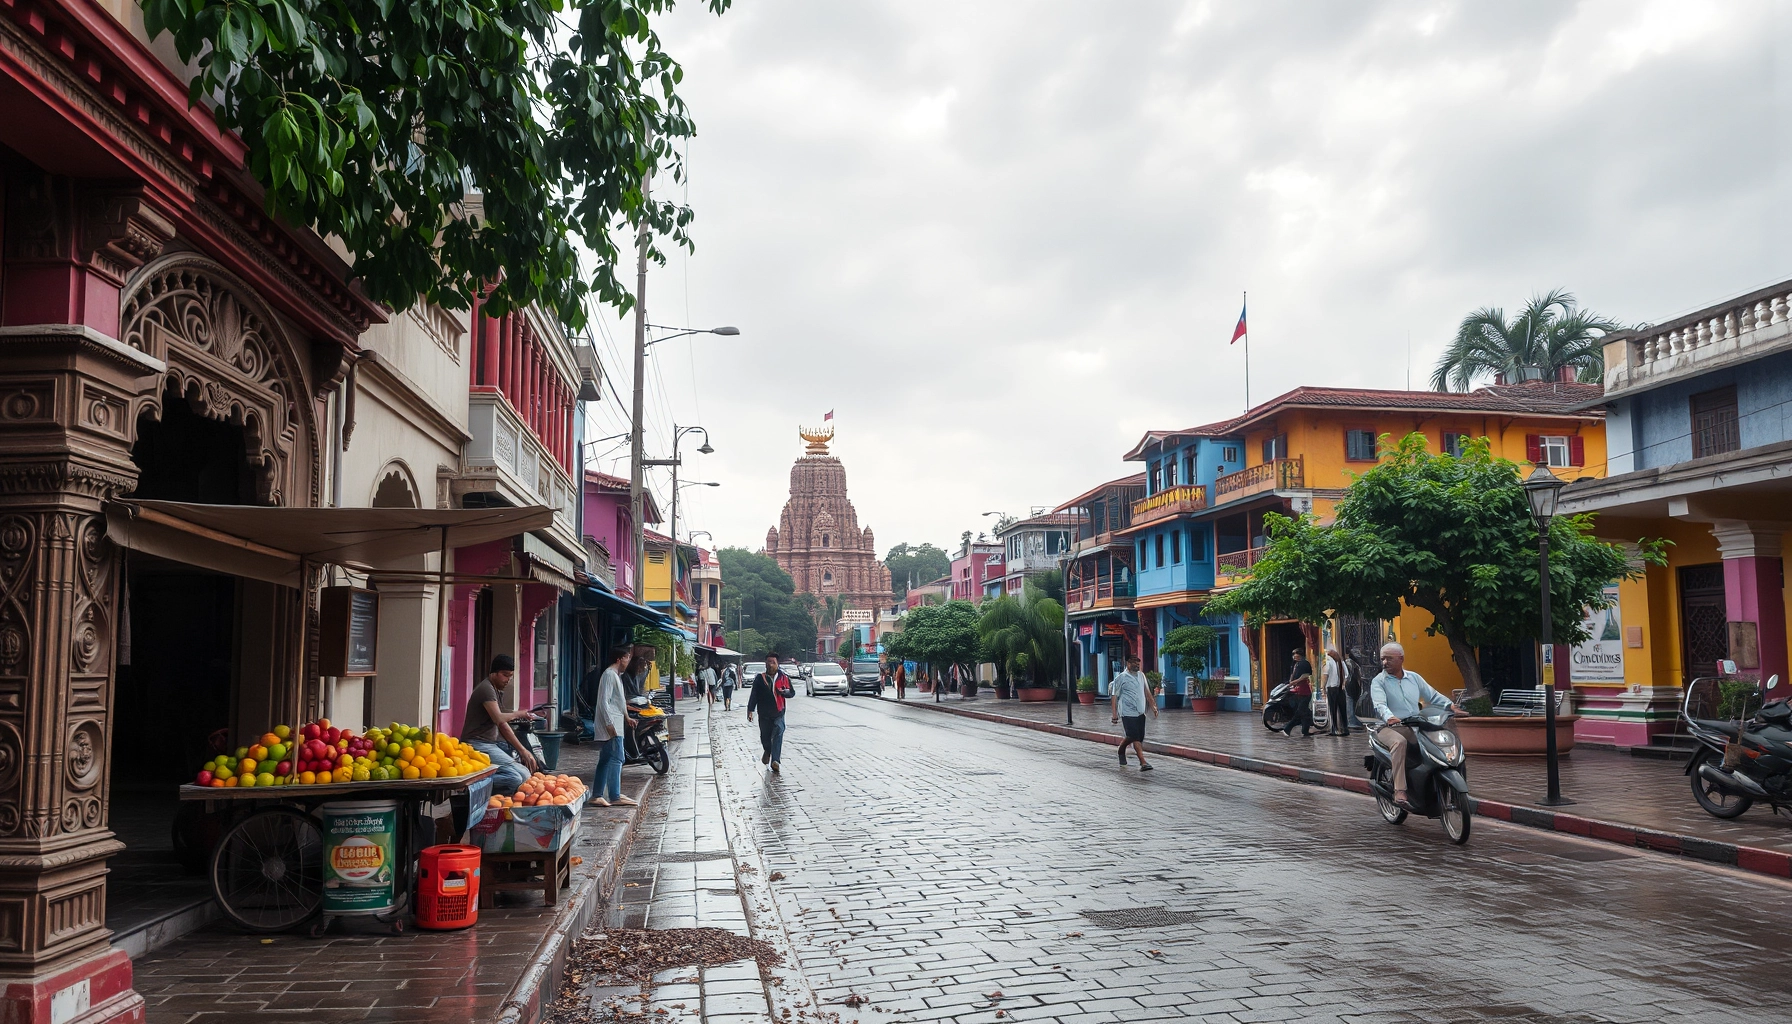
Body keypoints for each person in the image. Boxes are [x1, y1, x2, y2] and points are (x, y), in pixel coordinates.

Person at [1369, 642, 1459, 807]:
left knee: (1444, 740)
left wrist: (1450, 706)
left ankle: (1450, 789)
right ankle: (1400, 790)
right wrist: (1390, 717)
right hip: (1390, 727)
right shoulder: (1378, 681)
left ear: (1401, 658)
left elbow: (1432, 695)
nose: (1384, 663)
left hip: (1416, 725)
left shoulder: (1414, 678)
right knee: (1399, 742)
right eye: (1382, 659)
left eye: (1389, 658)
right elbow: (1379, 704)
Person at [462, 654, 537, 796]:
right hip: (476, 744)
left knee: (524, 775)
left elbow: (503, 726)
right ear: (493, 673)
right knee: (515, 778)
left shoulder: (495, 690)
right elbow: (499, 718)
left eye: (510, 676)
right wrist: (520, 714)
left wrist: (521, 750)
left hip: (490, 744)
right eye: (505, 675)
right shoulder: (486, 689)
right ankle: (470, 787)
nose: (508, 680)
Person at [591, 646, 636, 808]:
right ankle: (615, 795)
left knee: (605, 759)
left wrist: (627, 717)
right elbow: (604, 702)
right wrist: (609, 724)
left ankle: (596, 795)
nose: (628, 661)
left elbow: (617, 701)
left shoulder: (616, 675)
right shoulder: (610, 675)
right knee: (618, 758)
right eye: (627, 658)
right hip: (612, 725)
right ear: (619, 659)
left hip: (615, 722)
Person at [746, 653, 797, 773]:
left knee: (779, 732)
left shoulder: (784, 678)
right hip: (764, 713)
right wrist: (750, 710)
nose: (770, 665)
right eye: (768, 662)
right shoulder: (760, 678)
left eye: (773, 662)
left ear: (777, 664)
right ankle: (767, 751)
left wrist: (785, 692)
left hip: (779, 712)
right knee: (765, 737)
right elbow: (754, 695)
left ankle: (775, 761)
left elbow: (792, 693)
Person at [1111, 655, 1159, 771]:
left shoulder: (1141, 676)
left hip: (1140, 711)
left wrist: (1153, 706)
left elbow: (1147, 692)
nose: (1137, 665)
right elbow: (1114, 696)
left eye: (1138, 663)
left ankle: (1121, 749)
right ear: (1128, 664)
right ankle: (1143, 762)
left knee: (1138, 737)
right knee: (1134, 736)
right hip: (1127, 712)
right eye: (1134, 663)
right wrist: (1114, 714)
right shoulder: (1121, 678)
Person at [1283, 647, 1315, 736]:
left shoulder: (1304, 664)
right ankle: (1305, 730)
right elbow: (1293, 676)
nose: (1294, 656)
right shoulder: (1296, 665)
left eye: (1295, 654)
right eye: (1293, 654)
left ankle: (1288, 727)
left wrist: (1294, 682)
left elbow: (1305, 675)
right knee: (1304, 712)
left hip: (1304, 690)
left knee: (1300, 711)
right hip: (1298, 690)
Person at [1323, 647, 1352, 736]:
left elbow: (1325, 675)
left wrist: (1323, 687)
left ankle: (1334, 729)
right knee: (1342, 709)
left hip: (1332, 688)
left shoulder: (1328, 662)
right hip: (1340, 688)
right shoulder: (1341, 662)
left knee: (1333, 709)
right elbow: (1346, 675)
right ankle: (1345, 729)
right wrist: (1343, 684)